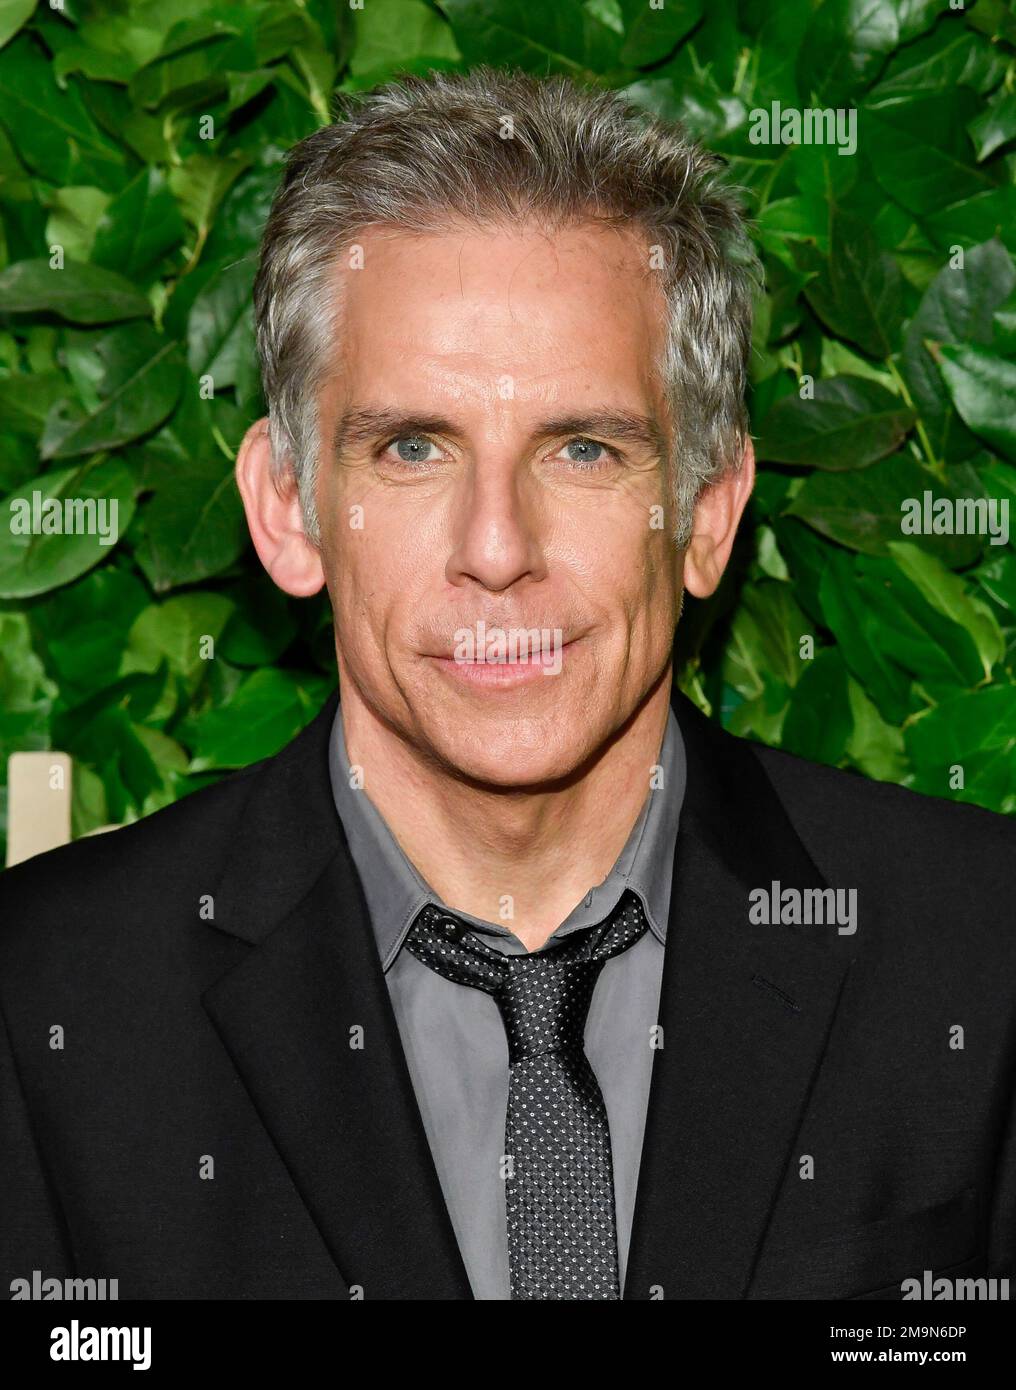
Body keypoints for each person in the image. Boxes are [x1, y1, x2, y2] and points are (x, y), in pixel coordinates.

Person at [2, 67, 1014, 1302]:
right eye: (412, 447)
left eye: (583, 448)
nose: (496, 548)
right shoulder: (45, 1001)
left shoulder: (975, 949)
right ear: (287, 508)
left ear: (704, 514)